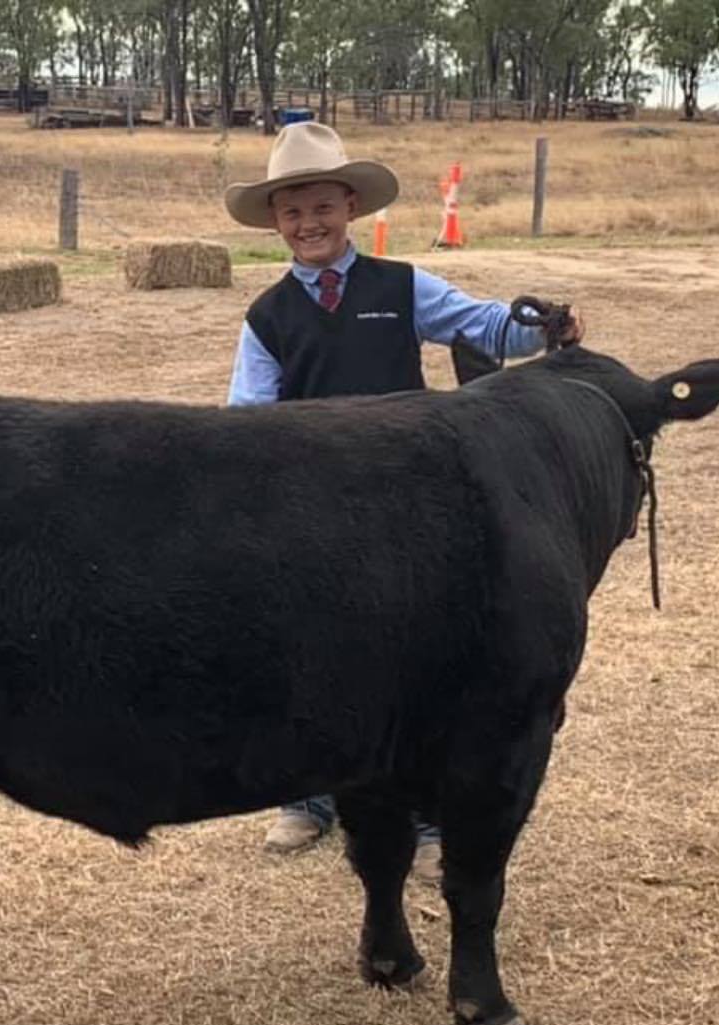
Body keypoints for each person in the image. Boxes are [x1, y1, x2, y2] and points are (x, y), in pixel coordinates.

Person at [222, 122, 583, 867]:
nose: (308, 224)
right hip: (309, 512)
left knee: (417, 660)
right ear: (276, 222)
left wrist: (541, 328)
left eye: (321, 206)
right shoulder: (266, 319)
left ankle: (423, 816)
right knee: (307, 655)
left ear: (349, 204)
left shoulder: (404, 286)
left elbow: (482, 326)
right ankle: (309, 797)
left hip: (405, 506)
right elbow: (244, 422)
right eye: (292, 213)